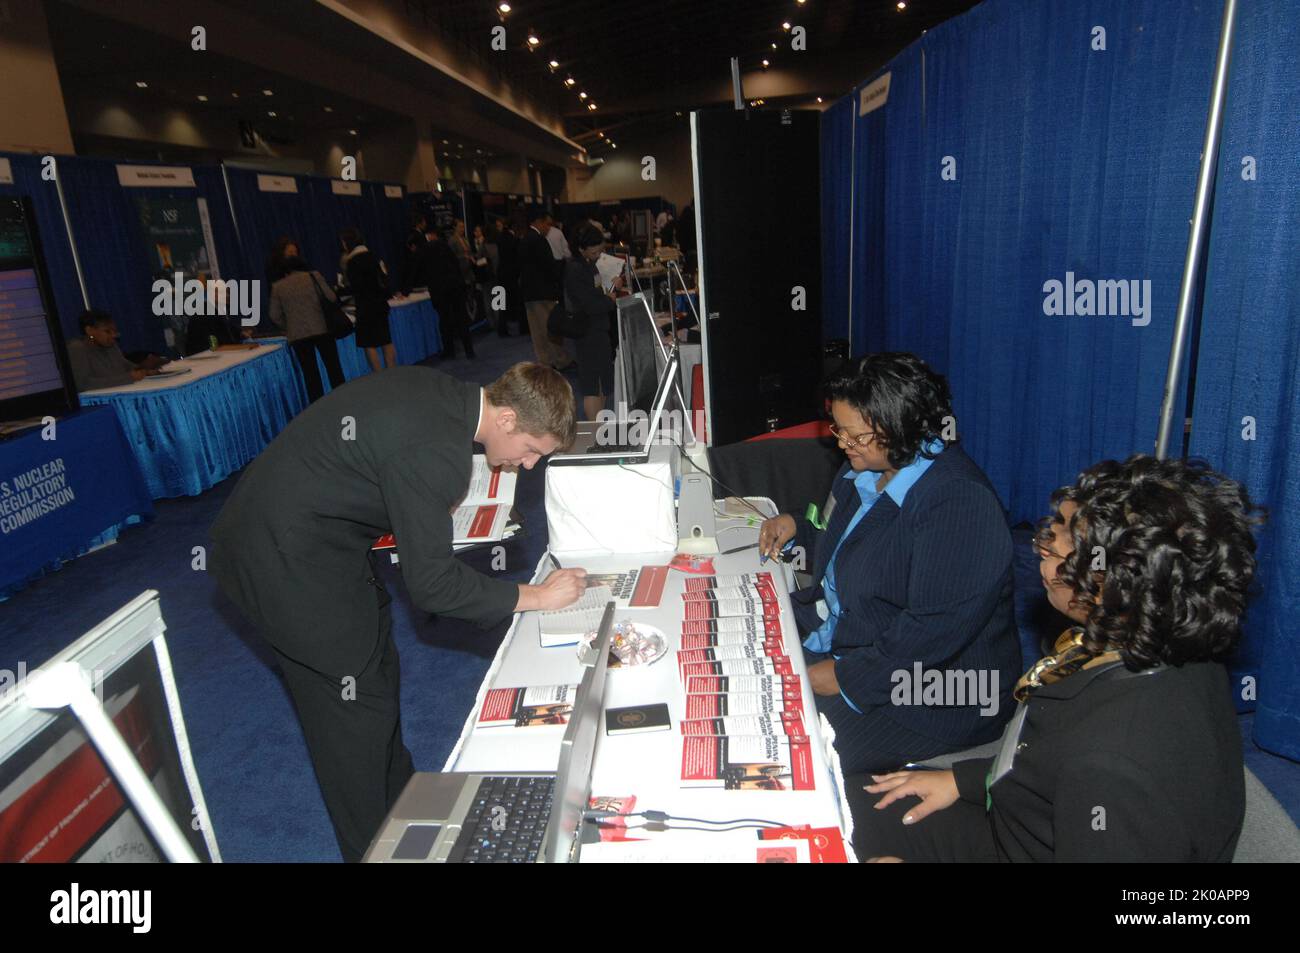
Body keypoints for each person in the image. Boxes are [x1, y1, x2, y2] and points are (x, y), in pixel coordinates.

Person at [209, 361, 589, 863]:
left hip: (312, 535)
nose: (529, 466)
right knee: (347, 714)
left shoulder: (446, 396)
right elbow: (433, 587)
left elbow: (384, 463)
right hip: (279, 557)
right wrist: (536, 596)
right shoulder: (438, 452)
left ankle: (407, 817)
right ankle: (374, 850)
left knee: (374, 678)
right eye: (533, 450)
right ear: (506, 419)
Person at [851, 455, 1259, 862]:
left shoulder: (1111, 767)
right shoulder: (1164, 638)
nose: (1042, 547)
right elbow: (1047, 757)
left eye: (1058, 541)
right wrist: (967, 780)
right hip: (1025, 820)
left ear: (1108, 587)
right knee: (846, 801)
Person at [757, 352, 1021, 774]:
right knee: (747, 655)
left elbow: (929, 634)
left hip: (930, 696)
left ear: (898, 429)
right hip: (852, 643)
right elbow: (860, 547)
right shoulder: (863, 467)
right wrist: (799, 528)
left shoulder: (959, 504)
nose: (843, 444)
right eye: (838, 431)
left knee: (777, 744)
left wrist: (836, 677)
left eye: (854, 436)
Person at [268, 253, 346, 403]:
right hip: (322, 328)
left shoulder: (278, 287)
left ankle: (317, 408)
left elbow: (274, 315)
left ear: (285, 271)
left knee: (311, 375)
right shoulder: (314, 276)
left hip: (298, 335)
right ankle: (342, 399)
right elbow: (331, 297)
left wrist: (288, 325)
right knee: (334, 368)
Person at [563, 224, 622, 420]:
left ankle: (599, 427)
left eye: (600, 250)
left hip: (598, 329)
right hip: (588, 332)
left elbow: (596, 292)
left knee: (602, 382)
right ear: (581, 248)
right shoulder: (575, 269)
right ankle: (594, 429)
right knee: (592, 385)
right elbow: (589, 304)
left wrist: (611, 288)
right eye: (595, 251)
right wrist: (609, 300)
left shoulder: (588, 265)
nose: (599, 255)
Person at [65, 309, 166, 391]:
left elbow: (125, 367)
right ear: (89, 330)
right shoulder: (77, 348)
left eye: (114, 331)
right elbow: (82, 384)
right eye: (107, 331)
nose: (113, 335)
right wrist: (130, 378)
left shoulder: (111, 345)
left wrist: (145, 369)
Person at [520, 210, 570, 370]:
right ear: (538, 222)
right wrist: (557, 282)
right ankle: (560, 360)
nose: (548, 227)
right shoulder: (538, 240)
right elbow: (548, 266)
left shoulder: (525, 238)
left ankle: (544, 361)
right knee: (551, 327)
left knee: (537, 330)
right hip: (543, 291)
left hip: (530, 292)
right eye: (546, 223)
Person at [339, 227, 394, 373]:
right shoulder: (373, 256)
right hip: (381, 304)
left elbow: (355, 287)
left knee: (369, 344)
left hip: (365, 306)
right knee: (386, 340)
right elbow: (384, 280)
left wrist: (340, 291)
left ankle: (379, 375)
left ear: (348, 243)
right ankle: (392, 372)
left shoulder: (352, 262)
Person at [424, 228, 476, 360]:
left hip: (441, 291)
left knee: (445, 321)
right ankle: (469, 350)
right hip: (456, 288)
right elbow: (456, 266)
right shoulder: (446, 247)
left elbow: (422, 271)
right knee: (462, 319)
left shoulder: (428, 250)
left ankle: (449, 350)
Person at [493, 215, 522, 337]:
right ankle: (522, 327)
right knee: (517, 301)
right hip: (513, 275)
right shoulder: (515, 239)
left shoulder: (499, 239)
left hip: (501, 273)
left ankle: (502, 329)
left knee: (502, 304)